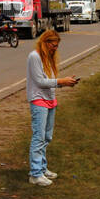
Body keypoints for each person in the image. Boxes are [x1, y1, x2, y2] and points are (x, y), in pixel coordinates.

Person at [26, 29, 78, 185]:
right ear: (45, 42)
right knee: (38, 137)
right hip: (38, 100)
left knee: (46, 137)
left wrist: (64, 84)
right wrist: (61, 82)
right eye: (53, 45)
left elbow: (50, 81)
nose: (55, 48)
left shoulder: (48, 58)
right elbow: (40, 81)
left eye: (57, 46)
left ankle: (42, 167)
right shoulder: (34, 57)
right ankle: (35, 174)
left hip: (50, 99)